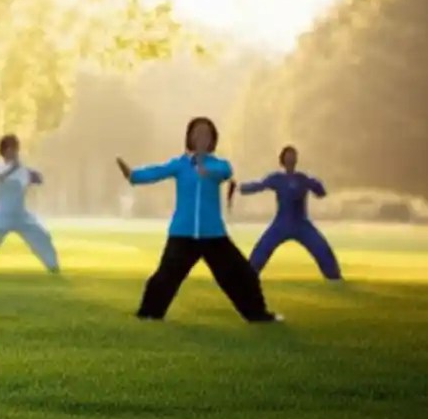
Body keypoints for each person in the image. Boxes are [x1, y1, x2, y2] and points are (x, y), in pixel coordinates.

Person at [116, 117, 281, 322]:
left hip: (213, 234)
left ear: (213, 139)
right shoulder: (180, 164)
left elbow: (226, 172)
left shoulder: (218, 165)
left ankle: (258, 314)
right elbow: (156, 172)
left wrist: (206, 169)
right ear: (190, 137)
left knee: (242, 275)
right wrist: (132, 175)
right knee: (164, 277)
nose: (202, 137)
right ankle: (148, 314)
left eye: (206, 134)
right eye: (197, 133)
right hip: (183, 233)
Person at [232, 145, 342, 280]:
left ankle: (334, 276)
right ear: (283, 160)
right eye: (288, 155)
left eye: (293, 155)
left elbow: (320, 192)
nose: (291, 158)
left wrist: (318, 186)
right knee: (262, 249)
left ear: (296, 159)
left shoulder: (302, 178)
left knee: (321, 248)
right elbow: (259, 185)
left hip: (301, 223)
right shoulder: (277, 178)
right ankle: (248, 277)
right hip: (282, 223)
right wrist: (241, 188)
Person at [0, 134, 59, 273]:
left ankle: (53, 266)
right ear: (4, 151)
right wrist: (13, 168)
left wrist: (31, 173)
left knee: (41, 237)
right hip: (2, 215)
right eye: (11, 149)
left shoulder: (22, 170)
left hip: (20, 215)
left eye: (16, 149)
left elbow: (38, 179)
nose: (14, 152)